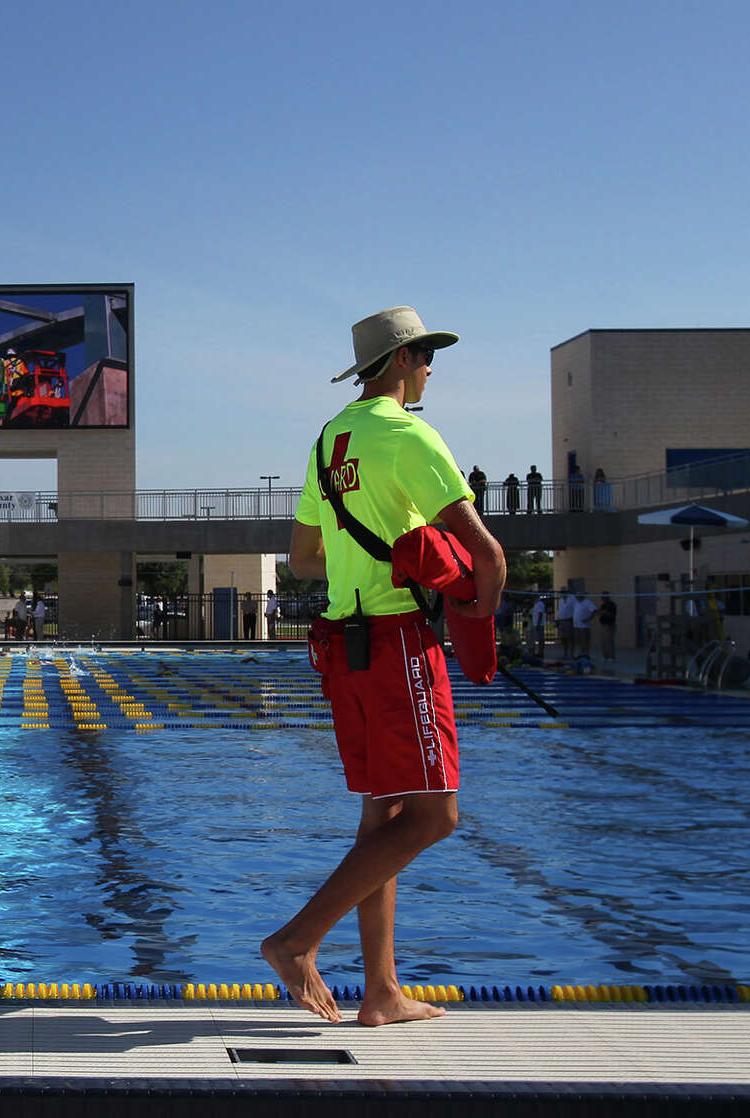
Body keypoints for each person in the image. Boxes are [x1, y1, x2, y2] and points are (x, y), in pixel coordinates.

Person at [262, 306, 504, 1027]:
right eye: (426, 356)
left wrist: (379, 544)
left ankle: (381, 991)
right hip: (398, 641)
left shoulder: (329, 439)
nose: (431, 369)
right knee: (435, 816)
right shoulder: (408, 435)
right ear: (400, 362)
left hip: (342, 645)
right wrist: (475, 618)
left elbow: (304, 558)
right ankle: (297, 940)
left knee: (385, 814)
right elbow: (487, 556)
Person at [571, 590, 597, 659]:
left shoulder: (588, 602)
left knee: (584, 640)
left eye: (579, 595)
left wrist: (588, 619)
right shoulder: (576, 602)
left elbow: (594, 611)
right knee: (578, 640)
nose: (578, 597)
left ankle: (586, 654)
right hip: (576, 625)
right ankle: (579, 654)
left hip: (584, 626)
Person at [596, 592, 618, 662]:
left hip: (609, 625)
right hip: (603, 625)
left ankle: (611, 657)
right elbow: (599, 613)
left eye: (604, 597)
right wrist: (602, 612)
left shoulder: (612, 604)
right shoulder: (603, 605)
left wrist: (604, 612)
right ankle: (605, 656)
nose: (603, 599)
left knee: (609, 641)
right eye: (602, 597)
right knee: (603, 642)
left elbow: (610, 614)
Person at [555, 586, 575, 658]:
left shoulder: (572, 598)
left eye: (564, 592)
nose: (562, 593)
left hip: (569, 620)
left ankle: (572, 654)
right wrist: (558, 619)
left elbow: (575, 608)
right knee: (563, 638)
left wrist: (573, 618)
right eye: (562, 592)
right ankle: (565, 653)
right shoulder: (561, 600)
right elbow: (559, 610)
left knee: (570, 638)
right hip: (561, 621)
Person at [528, 592, 547, 658]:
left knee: (541, 639)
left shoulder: (540, 604)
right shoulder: (536, 604)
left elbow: (540, 614)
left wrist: (538, 624)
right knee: (539, 639)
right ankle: (539, 651)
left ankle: (541, 652)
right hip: (536, 624)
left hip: (540, 624)